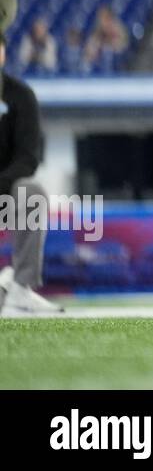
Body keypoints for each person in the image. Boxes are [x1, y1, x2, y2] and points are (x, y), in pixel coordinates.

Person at [0, 33, 66, 315]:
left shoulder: (21, 96)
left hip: (7, 192)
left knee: (32, 191)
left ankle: (20, 288)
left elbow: (28, 157)